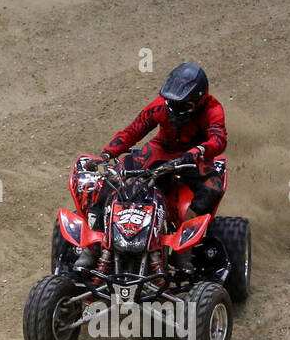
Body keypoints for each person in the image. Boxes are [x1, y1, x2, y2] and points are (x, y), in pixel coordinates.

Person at [74, 62, 227, 271]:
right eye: (171, 102)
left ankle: (184, 247)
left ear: (198, 101)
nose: (174, 109)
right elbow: (133, 132)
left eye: (182, 105)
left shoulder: (213, 110)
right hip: (161, 150)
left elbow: (219, 140)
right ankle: (92, 246)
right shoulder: (159, 106)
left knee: (213, 188)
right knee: (112, 180)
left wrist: (198, 151)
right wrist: (107, 154)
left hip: (193, 157)